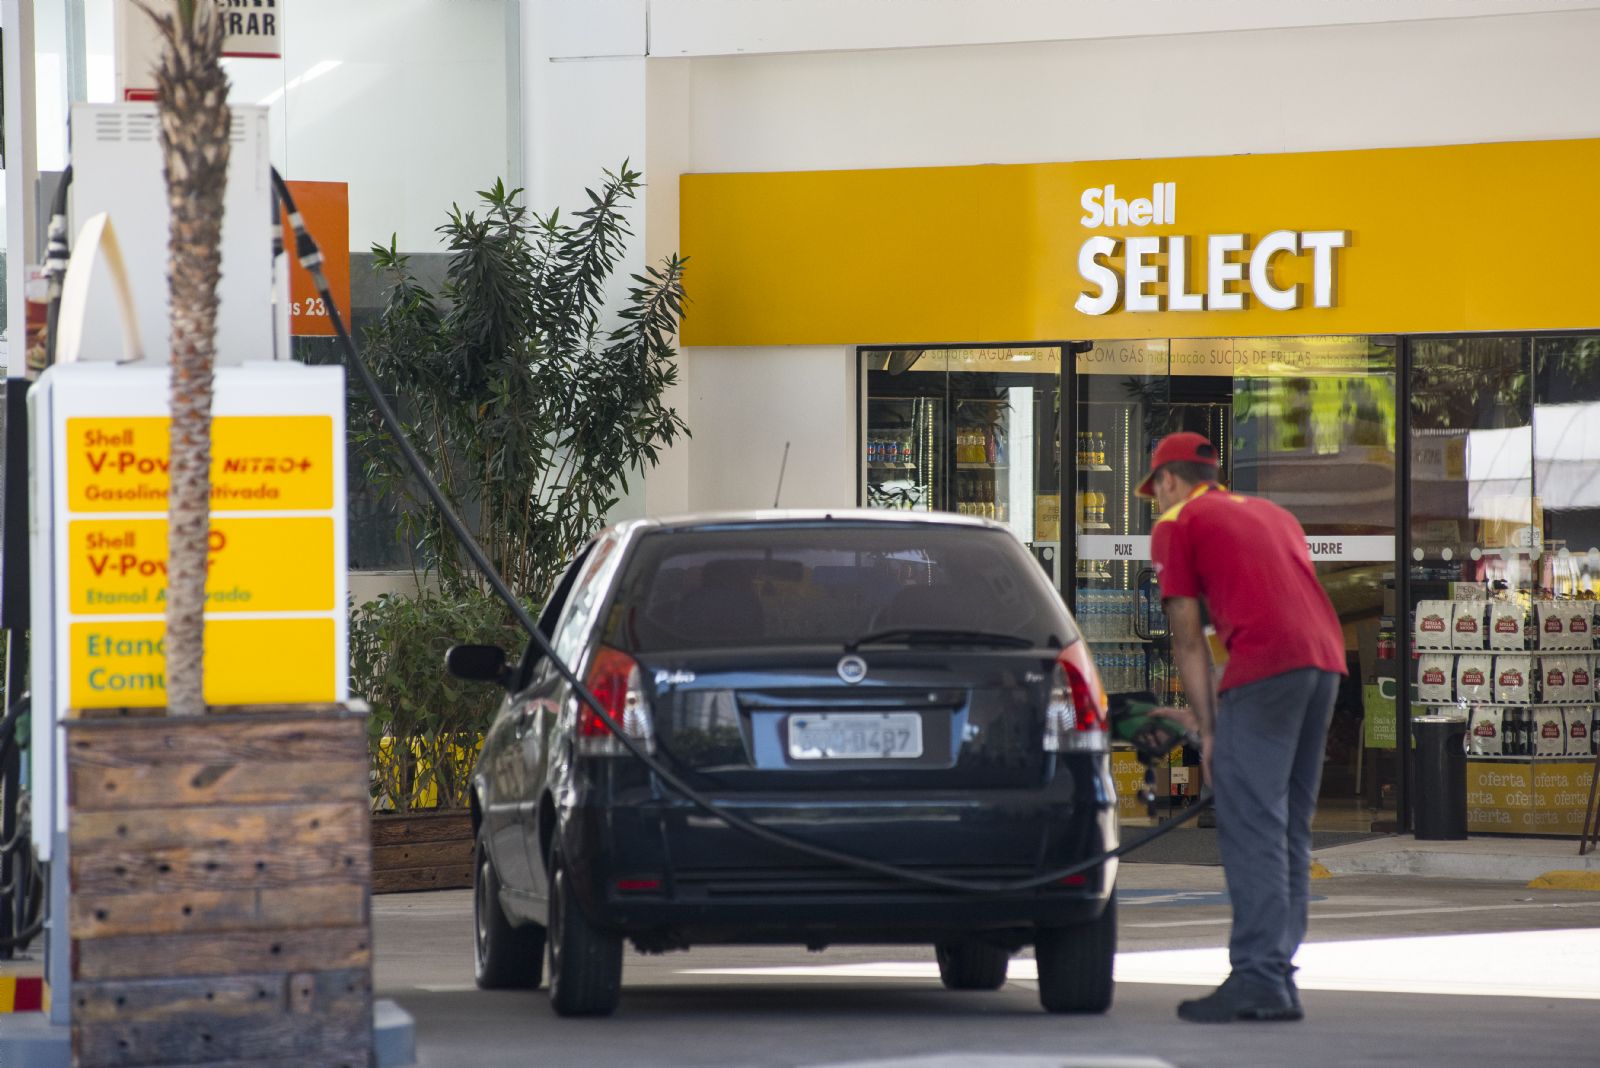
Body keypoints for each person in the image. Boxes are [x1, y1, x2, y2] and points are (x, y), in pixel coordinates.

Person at [1137, 431, 1346, 1023]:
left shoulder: (1177, 523)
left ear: (1170, 481)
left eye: (1156, 491)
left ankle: (1257, 975)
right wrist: (1212, 717)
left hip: (1267, 665)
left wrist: (1208, 732)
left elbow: (1186, 638)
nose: (1156, 501)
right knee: (1288, 829)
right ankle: (1276, 974)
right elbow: (1270, 604)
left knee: (1252, 823)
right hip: (1324, 663)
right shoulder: (1272, 514)